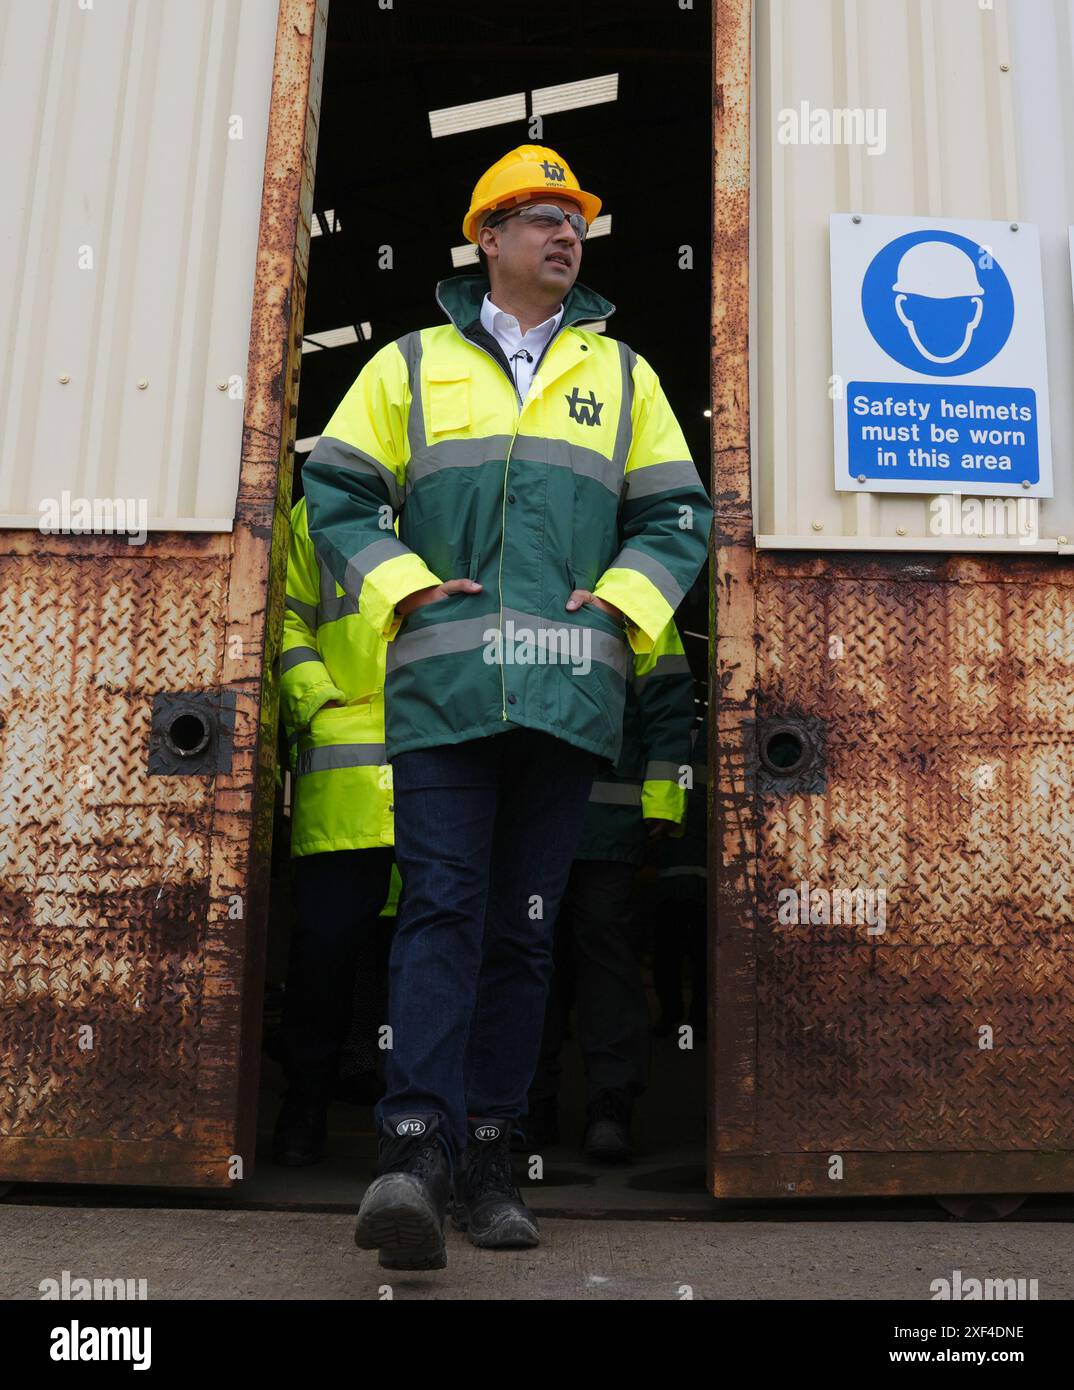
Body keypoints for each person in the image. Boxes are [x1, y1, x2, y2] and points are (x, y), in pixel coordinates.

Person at [301, 144, 713, 1269]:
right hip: (442, 692)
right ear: (485, 239)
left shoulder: (623, 376)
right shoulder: (408, 365)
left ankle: (491, 1159)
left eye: (573, 218)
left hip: (569, 694)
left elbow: (679, 517)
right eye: (536, 216)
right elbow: (333, 490)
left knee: (523, 938)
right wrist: (406, 584)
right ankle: (413, 1156)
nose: (563, 232)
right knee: (439, 908)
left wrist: (619, 610)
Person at [526, 620, 696, 1163]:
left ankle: (609, 1105)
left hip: (606, 825)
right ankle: (528, 1106)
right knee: (529, 961)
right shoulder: (520, 578)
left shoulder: (636, 599)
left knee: (601, 961)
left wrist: (664, 798)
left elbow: (671, 704)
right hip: (530, 823)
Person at [272, 495, 396, 1165]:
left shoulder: (467, 493)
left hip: (440, 768)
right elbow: (283, 614)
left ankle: (422, 1130)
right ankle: (303, 1107)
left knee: (434, 963)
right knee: (323, 956)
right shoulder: (315, 511)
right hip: (344, 779)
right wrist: (317, 702)